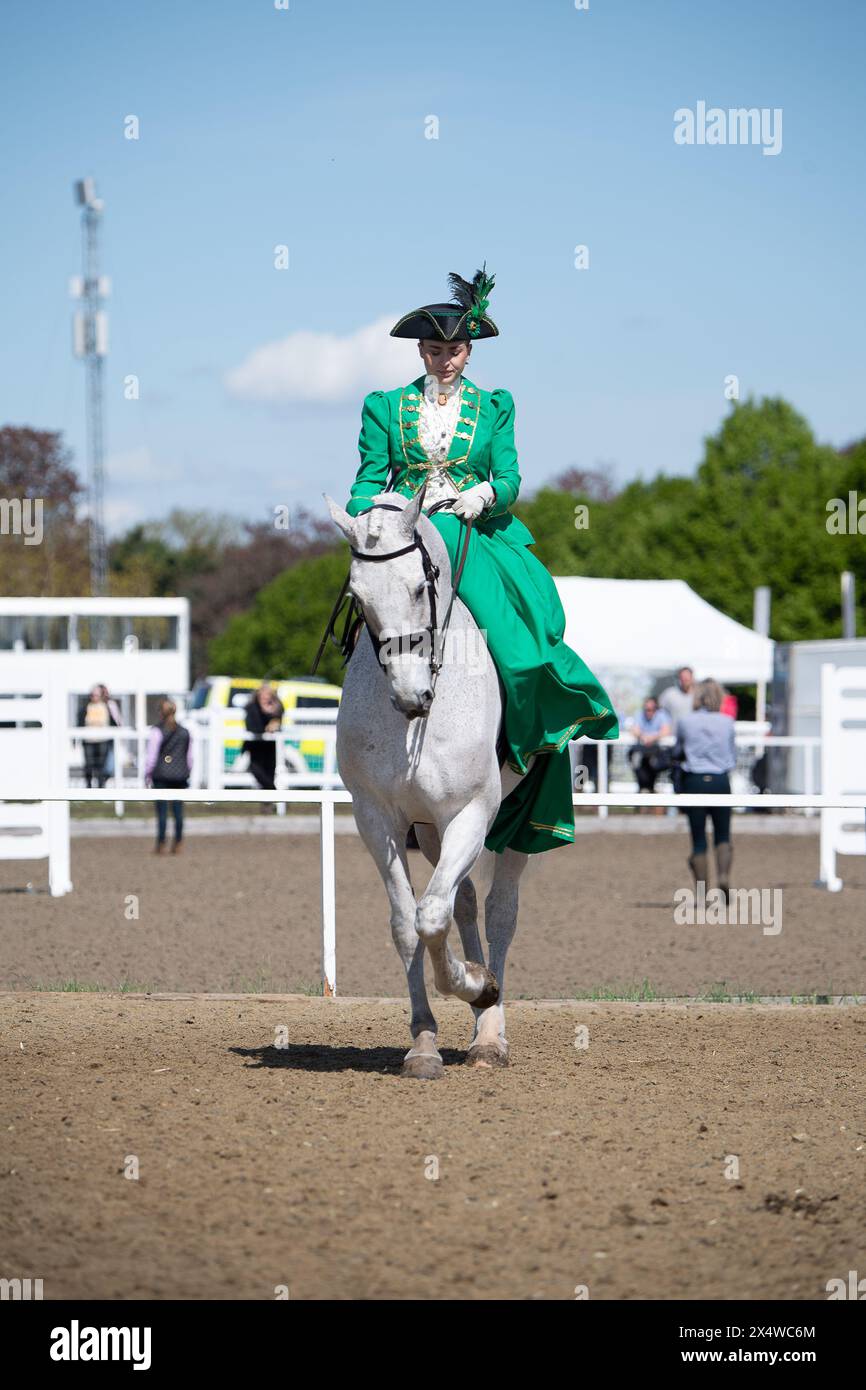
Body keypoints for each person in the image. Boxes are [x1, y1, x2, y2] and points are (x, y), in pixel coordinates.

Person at [345, 264, 619, 853]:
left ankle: (520, 744)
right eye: (436, 349)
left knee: (518, 647)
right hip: (407, 530)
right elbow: (368, 480)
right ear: (421, 350)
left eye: (456, 350)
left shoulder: (495, 406)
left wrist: (484, 493)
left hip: (473, 531)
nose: (446, 359)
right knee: (369, 602)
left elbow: (512, 476)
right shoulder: (383, 407)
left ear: (468, 353)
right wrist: (373, 514)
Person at [673, 678, 737, 900]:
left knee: (698, 838)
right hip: (720, 781)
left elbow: (678, 750)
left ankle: (702, 892)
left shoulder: (685, 721)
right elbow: (732, 756)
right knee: (723, 835)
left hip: (695, 781)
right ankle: (723, 876)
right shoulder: (727, 722)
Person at [144, 698, 192, 854]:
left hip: (161, 775)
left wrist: (148, 774)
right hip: (180, 776)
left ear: (160, 713)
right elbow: (190, 757)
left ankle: (161, 842)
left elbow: (151, 757)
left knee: (162, 812)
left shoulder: (156, 731)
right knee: (178, 812)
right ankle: (178, 842)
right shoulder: (184, 732)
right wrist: (187, 770)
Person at [627, 696, 672, 803]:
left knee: (654, 769)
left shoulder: (661, 715)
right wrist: (643, 736)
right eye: (647, 709)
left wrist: (652, 738)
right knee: (639, 770)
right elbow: (634, 729)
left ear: (656, 708)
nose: (649, 712)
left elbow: (666, 730)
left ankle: (649, 795)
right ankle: (645, 795)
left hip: (656, 754)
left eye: (652, 709)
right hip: (643, 754)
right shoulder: (639, 714)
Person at [245, 684, 285, 803]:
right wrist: (266, 726)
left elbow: (280, 717)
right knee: (257, 771)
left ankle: (268, 803)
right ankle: (274, 795)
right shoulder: (252, 707)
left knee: (270, 773)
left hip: (270, 747)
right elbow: (253, 726)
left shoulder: (275, 707)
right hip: (256, 746)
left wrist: (273, 714)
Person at [77, 683, 121, 788]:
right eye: (92, 695)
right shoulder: (86, 707)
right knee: (89, 765)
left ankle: (101, 788)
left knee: (102, 766)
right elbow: (80, 722)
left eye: (96, 695)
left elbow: (116, 723)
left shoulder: (108, 707)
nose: (94, 697)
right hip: (88, 741)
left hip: (103, 741)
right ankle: (88, 788)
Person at [659, 666, 696, 733]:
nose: (685, 680)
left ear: (692, 678)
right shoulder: (669, 694)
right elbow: (659, 713)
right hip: (674, 736)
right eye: (683, 678)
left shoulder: (698, 696)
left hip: (692, 736)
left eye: (687, 677)